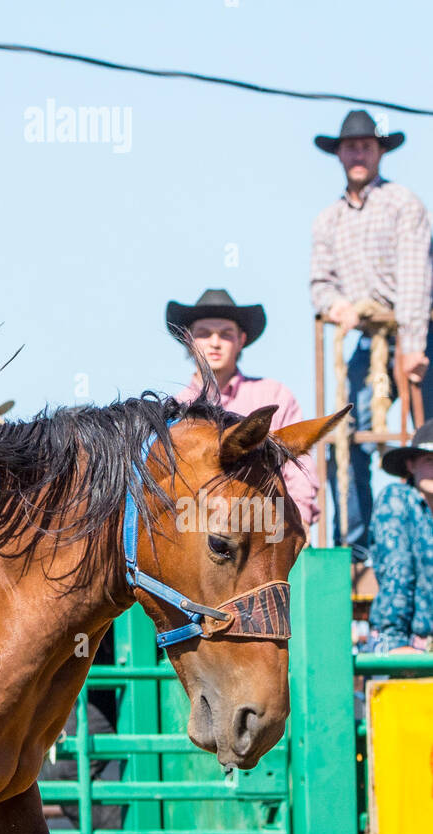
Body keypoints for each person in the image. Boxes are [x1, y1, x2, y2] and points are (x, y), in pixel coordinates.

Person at [309, 109, 433, 560]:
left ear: (380, 151)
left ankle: (424, 541)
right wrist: (335, 305)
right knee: (350, 431)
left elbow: (416, 279)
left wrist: (414, 347)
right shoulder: (328, 220)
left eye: (366, 145)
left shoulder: (403, 203)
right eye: (350, 146)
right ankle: (356, 546)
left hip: (418, 331)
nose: (358, 152)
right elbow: (319, 283)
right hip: (368, 340)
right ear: (339, 153)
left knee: (427, 437)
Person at [167, 288, 320, 531]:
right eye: (204, 334)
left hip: (266, 530)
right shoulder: (173, 411)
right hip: (195, 534)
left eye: (226, 334)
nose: (215, 342)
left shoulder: (273, 397)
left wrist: (298, 519)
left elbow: (298, 464)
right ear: (189, 339)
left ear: (241, 340)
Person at [366, 421, 433, 654]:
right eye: (430, 461)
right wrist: (395, 642)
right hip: (406, 645)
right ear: (410, 465)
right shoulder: (396, 500)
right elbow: (398, 569)